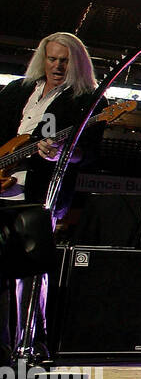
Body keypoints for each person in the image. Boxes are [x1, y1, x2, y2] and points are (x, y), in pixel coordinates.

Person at [0, 32, 103, 355]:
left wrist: (63, 154)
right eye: (52, 59)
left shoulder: (86, 99)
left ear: (77, 63)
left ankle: (29, 343)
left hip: (39, 193)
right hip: (3, 188)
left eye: (64, 60)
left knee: (29, 270)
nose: (57, 66)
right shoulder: (16, 90)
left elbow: (89, 153)